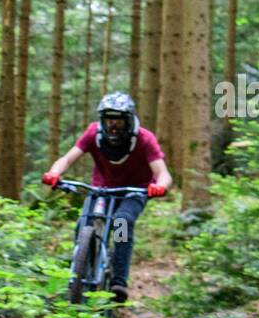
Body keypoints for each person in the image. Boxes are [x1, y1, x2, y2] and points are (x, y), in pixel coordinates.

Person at [41, 92, 172, 303]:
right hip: (101, 189)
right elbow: (67, 158)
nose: (113, 126)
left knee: (122, 223)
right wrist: (54, 173)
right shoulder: (94, 133)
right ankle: (81, 270)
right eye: (109, 120)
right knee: (84, 224)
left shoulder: (145, 139)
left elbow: (163, 173)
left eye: (118, 121)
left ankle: (118, 281)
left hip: (134, 191)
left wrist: (159, 187)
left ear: (128, 121)